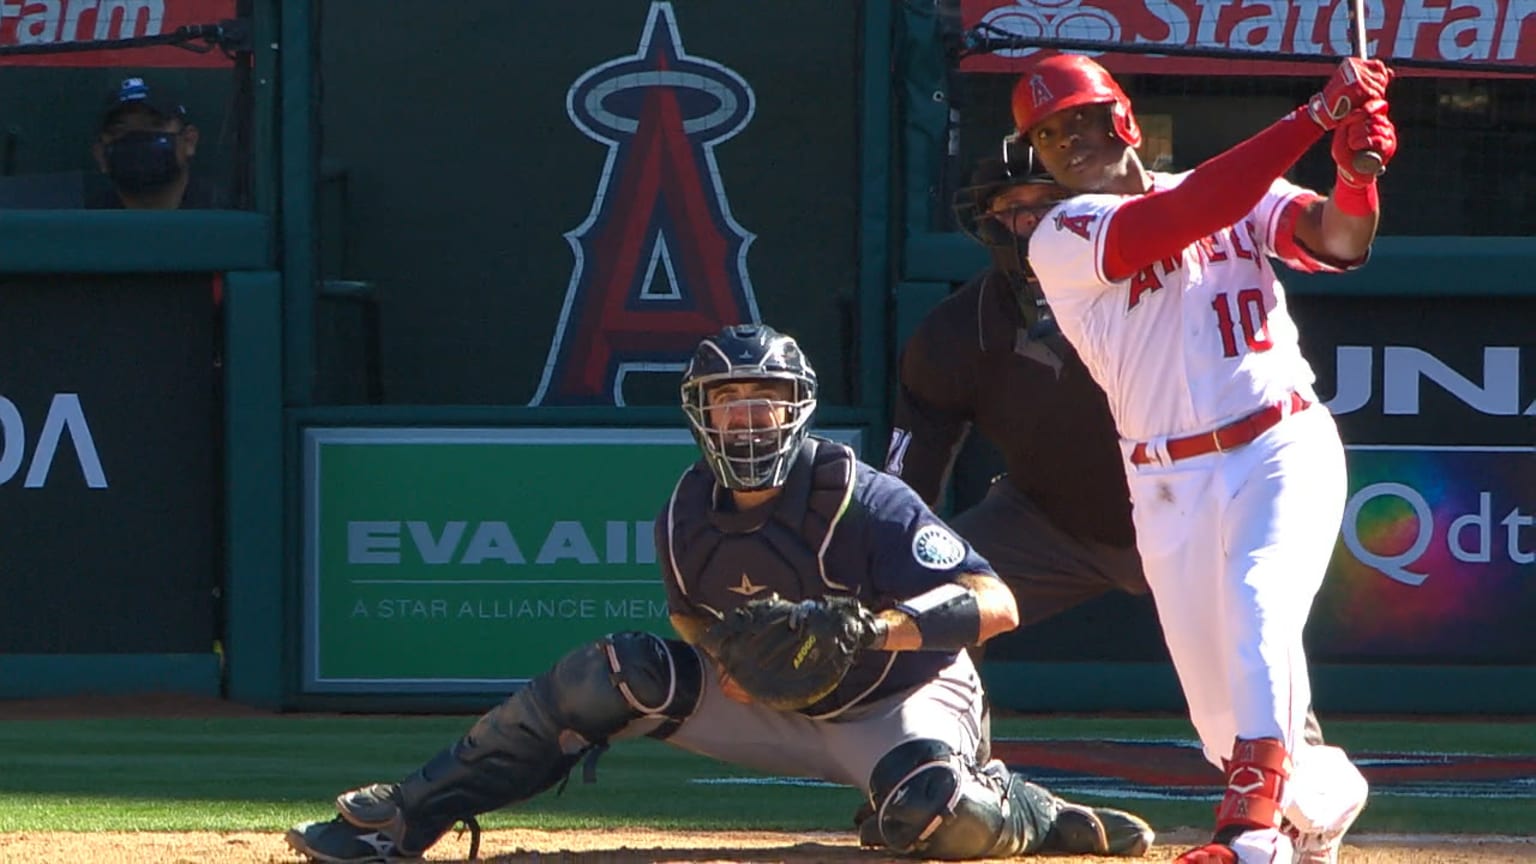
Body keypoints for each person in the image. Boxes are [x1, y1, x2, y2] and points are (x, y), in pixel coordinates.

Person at [285, 323, 1155, 864]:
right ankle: (402, 820)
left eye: (766, 402)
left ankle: (1035, 814)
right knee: (611, 673)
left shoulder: (860, 492)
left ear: (798, 411)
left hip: (900, 697)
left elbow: (993, 600)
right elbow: (688, 622)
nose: (749, 420)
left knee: (935, 815)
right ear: (701, 414)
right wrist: (734, 668)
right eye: (729, 403)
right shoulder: (685, 510)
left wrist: (869, 630)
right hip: (777, 709)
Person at [1013, 53, 1395, 864]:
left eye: (1080, 118)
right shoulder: (1060, 234)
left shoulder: (1228, 194)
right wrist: (1315, 118)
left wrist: (1356, 175)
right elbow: (1182, 214)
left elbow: (1337, 238)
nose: (1067, 141)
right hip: (1165, 480)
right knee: (1223, 725)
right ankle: (1323, 797)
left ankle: (1249, 832)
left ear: (1120, 116)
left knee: (1261, 606)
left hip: (1277, 441)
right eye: (1047, 134)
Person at [888, 151, 1149, 643]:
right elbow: (903, 491)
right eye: (1012, 207)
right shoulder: (957, 332)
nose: (1032, 221)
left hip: (1192, 507)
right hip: (1050, 525)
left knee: (1255, 632)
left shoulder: (1165, 286)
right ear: (986, 223)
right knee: (921, 598)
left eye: (1052, 200)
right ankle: (938, 723)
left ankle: (1278, 724)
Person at [89, 77, 222, 210]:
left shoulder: (229, 214)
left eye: (154, 125)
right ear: (100, 154)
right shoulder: (82, 221)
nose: (138, 139)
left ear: (189, 141)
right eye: (120, 130)